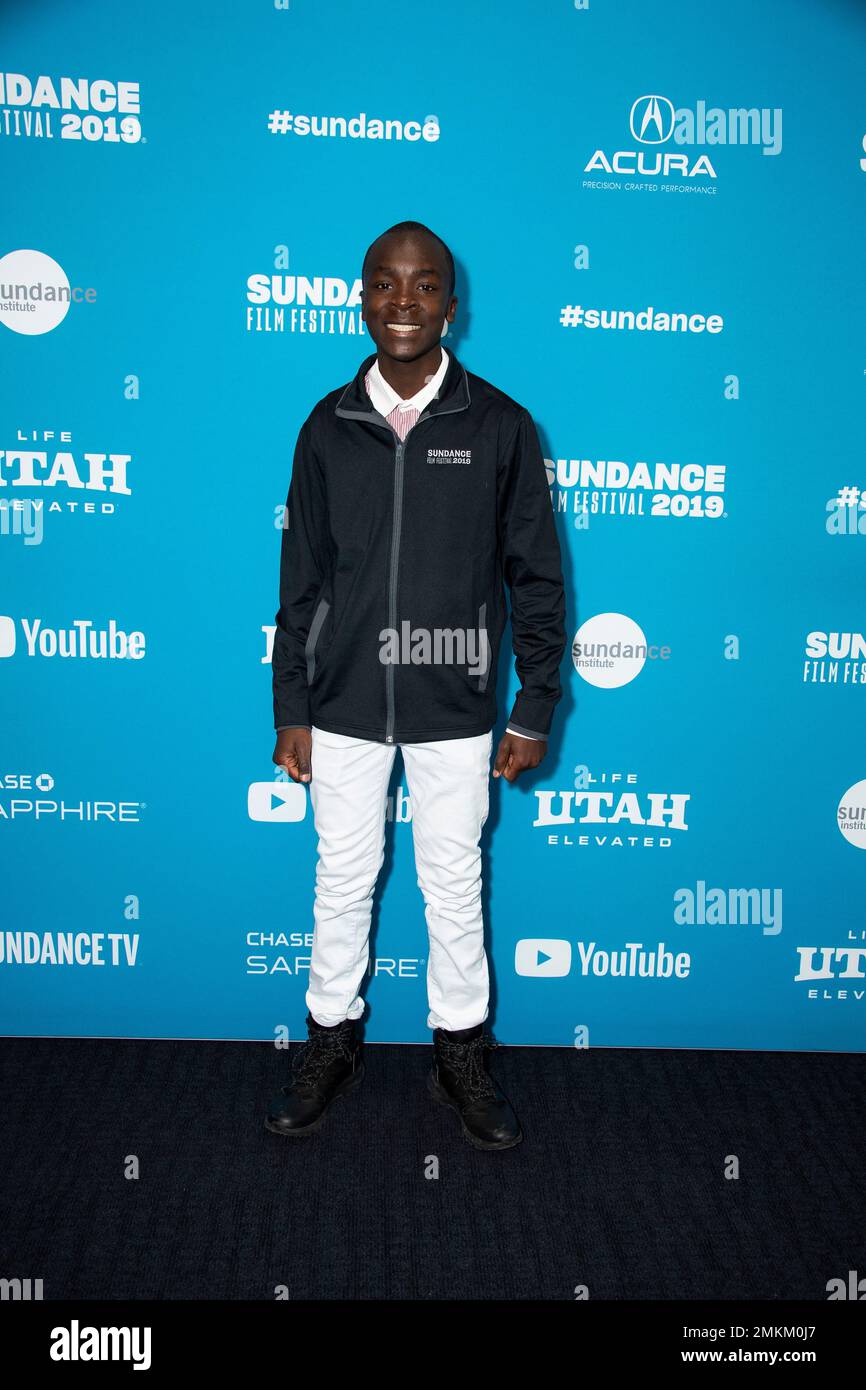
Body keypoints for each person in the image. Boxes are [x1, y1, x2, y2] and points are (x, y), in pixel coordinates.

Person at [266, 220, 566, 1150]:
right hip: (347, 701)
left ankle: (460, 1056)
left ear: (452, 303)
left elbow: (538, 579)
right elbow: (300, 580)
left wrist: (535, 703)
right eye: (385, 284)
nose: (404, 301)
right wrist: (291, 707)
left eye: (425, 284)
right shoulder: (326, 426)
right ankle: (330, 1042)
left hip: (456, 706)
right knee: (341, 880)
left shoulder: (501, 425)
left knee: (452, 880)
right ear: (360, 297)